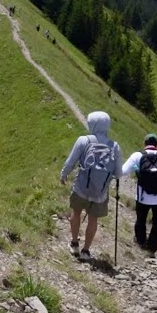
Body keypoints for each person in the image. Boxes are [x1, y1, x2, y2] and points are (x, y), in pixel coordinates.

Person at [59, 111, 123, 260]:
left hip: (81, 187)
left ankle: (74, 243)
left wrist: (63, 174)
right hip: (100, 193)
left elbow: (71, 161)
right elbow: (118, 173)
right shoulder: (115, 147)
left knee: (76, 212)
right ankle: (86, 251)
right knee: (93, 219)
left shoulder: (84, 140)